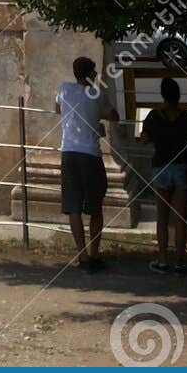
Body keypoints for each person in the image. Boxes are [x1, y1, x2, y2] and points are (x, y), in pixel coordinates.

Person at [56, 55, 118, 272]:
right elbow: (114, 116)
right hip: (90, 154)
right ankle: (94, 253)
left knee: (73, 205)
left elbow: (57, 109)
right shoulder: (98, 94)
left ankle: (82, 256)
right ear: (91, 73)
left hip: (68, 151)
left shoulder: (64, 89)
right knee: (95, 206)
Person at [139, 76, 187, 273]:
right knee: (180, 217)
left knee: (161, 217)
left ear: (162, 95)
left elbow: (144, 138)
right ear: (178, 96)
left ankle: (162, 259)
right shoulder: (186, 117)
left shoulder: (153, 116)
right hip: (181, 167)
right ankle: (180, 261)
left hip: (161, 166)